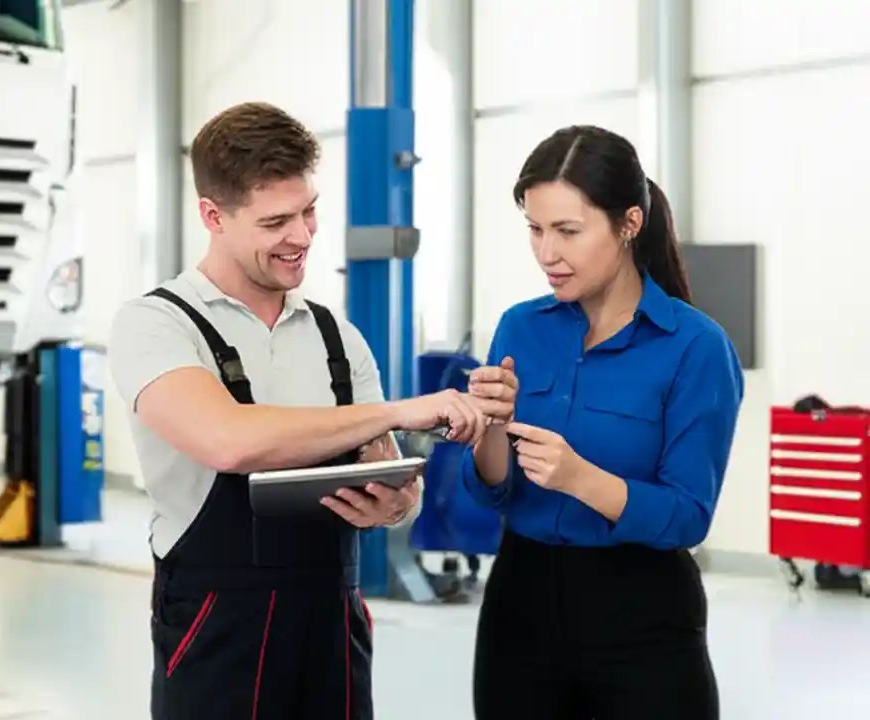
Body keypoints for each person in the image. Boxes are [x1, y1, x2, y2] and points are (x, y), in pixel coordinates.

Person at [108, 102, 499, 720]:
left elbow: (388, 473)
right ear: (213, 215)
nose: (303, 236)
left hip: (331, 622)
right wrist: (395, 412)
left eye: (309, 210)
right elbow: (228, 441)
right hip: (216, 625)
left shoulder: (336, 336)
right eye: (276, 221)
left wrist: (396, 503)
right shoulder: (156, 325)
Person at [461, 124, 744, 720]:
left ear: (629, 224)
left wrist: (578, 477)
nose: (546, 253)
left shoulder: (695, 348)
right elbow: (493, 489)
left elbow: (689, 514)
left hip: (642, 613)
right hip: (521, 602)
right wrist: (489, 425)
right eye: (535, 230)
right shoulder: (520, 327)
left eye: (568, 231)